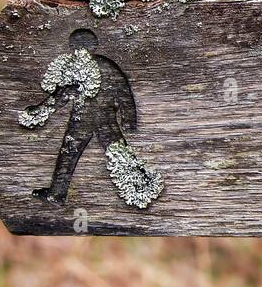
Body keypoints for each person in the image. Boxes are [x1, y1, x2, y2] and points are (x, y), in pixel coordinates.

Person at [20, 28, 162, 208]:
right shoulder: (101, 67)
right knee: (118, 154)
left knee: (70, 155)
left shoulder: (81, 68)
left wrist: (39, 111)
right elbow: (123, 93)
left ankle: (57, 194)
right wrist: (128, 121)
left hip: (84, 121)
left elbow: (61, 97)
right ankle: (139, 188)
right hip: (103, 120)